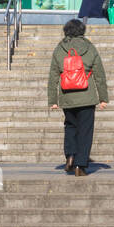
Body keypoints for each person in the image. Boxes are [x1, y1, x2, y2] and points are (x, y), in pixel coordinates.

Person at [47, 18, 109, 176]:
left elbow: (53, 76)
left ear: (66, 31)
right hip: (87, 96)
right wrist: (103, 98)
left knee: (70, 127)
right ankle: (80, 166)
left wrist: (53, 100)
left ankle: (70, 155)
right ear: (82, 31)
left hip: (67, 97)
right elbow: (99, 75)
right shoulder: (89, 47)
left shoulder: (60, 49)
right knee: (85, 131)